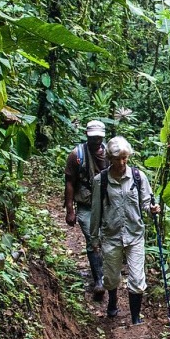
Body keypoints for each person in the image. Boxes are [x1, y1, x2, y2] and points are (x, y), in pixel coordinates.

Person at [89, 136, 161, 324]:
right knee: (111, 277)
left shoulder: (138, 177)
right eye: (117, 158)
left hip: (135, 234)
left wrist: (152, 209)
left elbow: (146, 202)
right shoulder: (100, 180)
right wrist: (93, 239)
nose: (121, 162)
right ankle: (112, 302)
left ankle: (136, 318)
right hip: (111, 235)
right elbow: (96, 210)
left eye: (125, 158)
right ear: (109, 159)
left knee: (137, 279)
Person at [64, 120, 110, 301]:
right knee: (93, 239)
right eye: (93, 137)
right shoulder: (77, 155)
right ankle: (99, 280)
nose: (96, 140)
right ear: (87, 135)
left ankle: (107, 274)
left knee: (106, 238)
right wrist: (69, 210)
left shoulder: (110, 153)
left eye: (99, 137)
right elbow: (69, 182)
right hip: (85, 205)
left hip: (107, 204)